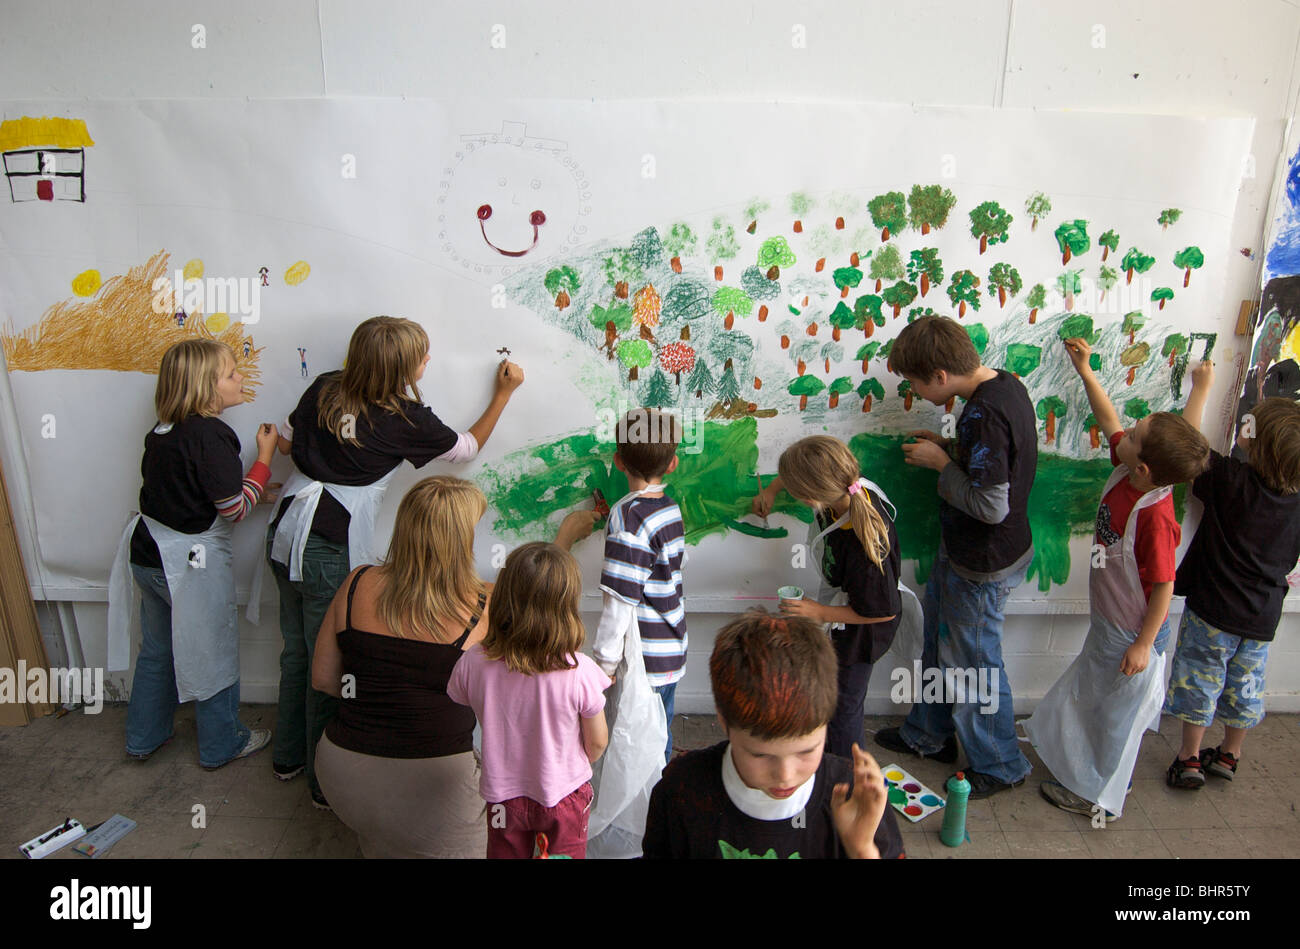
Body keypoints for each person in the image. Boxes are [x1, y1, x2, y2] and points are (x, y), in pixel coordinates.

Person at [259, 315, 523, 808]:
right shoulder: (403, 416)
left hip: (285, 531)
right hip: (326, 545)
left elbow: (291, 444)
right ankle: (320, 784)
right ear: (402, 369)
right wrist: (503, 395)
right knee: (326, 666)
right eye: (422, 356)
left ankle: (287, 758)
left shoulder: (324, 387)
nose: (428, 360)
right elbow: (466, 449)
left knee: (296, 652)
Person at [310, 477, 596, 856]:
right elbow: (536, 603)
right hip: (435, 789)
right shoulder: (484, 605)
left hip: (342, 777)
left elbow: (324, 679)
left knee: (387, 839)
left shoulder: (357, 582)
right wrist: (564, 539)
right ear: (460, 541)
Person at [1024, 338, 1210, 820]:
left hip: (1132, 632)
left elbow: (1165, 586)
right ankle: (1083, 772)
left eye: (1135, 432)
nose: (1125, 430)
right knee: (1095, 700)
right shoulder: (1133, 471)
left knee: (1114, 716)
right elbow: (1109, 420)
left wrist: (1144, 644)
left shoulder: (1155, 518)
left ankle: (1098, 795)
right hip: (1112, 624)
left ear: (1143, 466)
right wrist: (1086, 372)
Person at [874, 315, 1036, 798]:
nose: (912, 390)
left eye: (914, 382)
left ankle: (1001, 764)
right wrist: (949, 447)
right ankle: (929, 733)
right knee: (938, 644)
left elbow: (991, 506)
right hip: (966, 553)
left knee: (973, 665)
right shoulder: (1004, 386)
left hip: (983, 562)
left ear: (940, 376)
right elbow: (996, 463)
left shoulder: (985, 413)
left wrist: (942, 464)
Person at [108, 339, 277, 769]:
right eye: (231, 374)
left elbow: (195, 490)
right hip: (187, 567)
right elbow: (234, 509)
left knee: (157, 651)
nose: (240, 378)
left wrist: (253, 488)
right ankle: (222, 744)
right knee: (212, 653)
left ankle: (143, 737)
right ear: (205, 386)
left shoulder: (162, 432)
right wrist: (263, 460)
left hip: (147, 557)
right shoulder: (212, 435)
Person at [642, 609, 902, 859]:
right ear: (723, 720)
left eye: (806, 751)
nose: (785, 776)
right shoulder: (682, 790)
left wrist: (862, 850)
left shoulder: (859, 798)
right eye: (760, 755)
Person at [1164, 393, 1300, 788]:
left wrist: (1202, 386)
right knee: (1245, 686)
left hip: (1213, 610)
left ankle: (1189, 758)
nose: (1244, 427)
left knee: (1199, 681)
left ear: (1259, 447)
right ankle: (1229, 754)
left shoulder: (1230, 480)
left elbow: (1187, 444)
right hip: (1262, 617)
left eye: (1250, 426)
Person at [751, 436, 914, 759]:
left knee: (843, 707)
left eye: (792, 488)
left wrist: (819, 613)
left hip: (862, 634)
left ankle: (847, 772)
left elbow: (884, 611)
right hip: (847, 609)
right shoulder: (843, 483)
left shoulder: (866, 545)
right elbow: (804, 470)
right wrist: (771, 490)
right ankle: (827, 756)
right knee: (831, 693)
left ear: (810, 497)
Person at [448, 542, 611, 858]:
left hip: (503, 798)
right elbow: (597, 743)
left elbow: (458, 696)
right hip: (564, 795)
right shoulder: (580, 671)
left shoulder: (473, 662)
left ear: (502, 599)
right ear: (566, 607)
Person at [593, 407, 686, 760]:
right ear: (672, 463)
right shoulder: (669, 508)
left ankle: (654, 794)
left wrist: (604, 665)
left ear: (618, 461)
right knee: (659, 737)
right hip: (671, 648)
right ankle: (662, 787)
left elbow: (619, 602)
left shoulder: (628, 519)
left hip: (643, 660)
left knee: (637, 751)